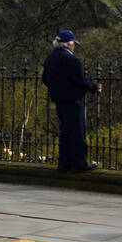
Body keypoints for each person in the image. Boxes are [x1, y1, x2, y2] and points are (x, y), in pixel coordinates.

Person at [41, 30, 102, 173]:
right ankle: (79, 164)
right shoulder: (71, 60)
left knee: (65, 133)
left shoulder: (50, 58)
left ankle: (64, 163)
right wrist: (94, 87)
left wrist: (56, 88)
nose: (74, 47)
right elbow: (80, 80)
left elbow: (45, 79)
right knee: (77, 132)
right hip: (72, 100)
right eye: (74, 44)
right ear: (68, 45)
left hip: (59, 100)